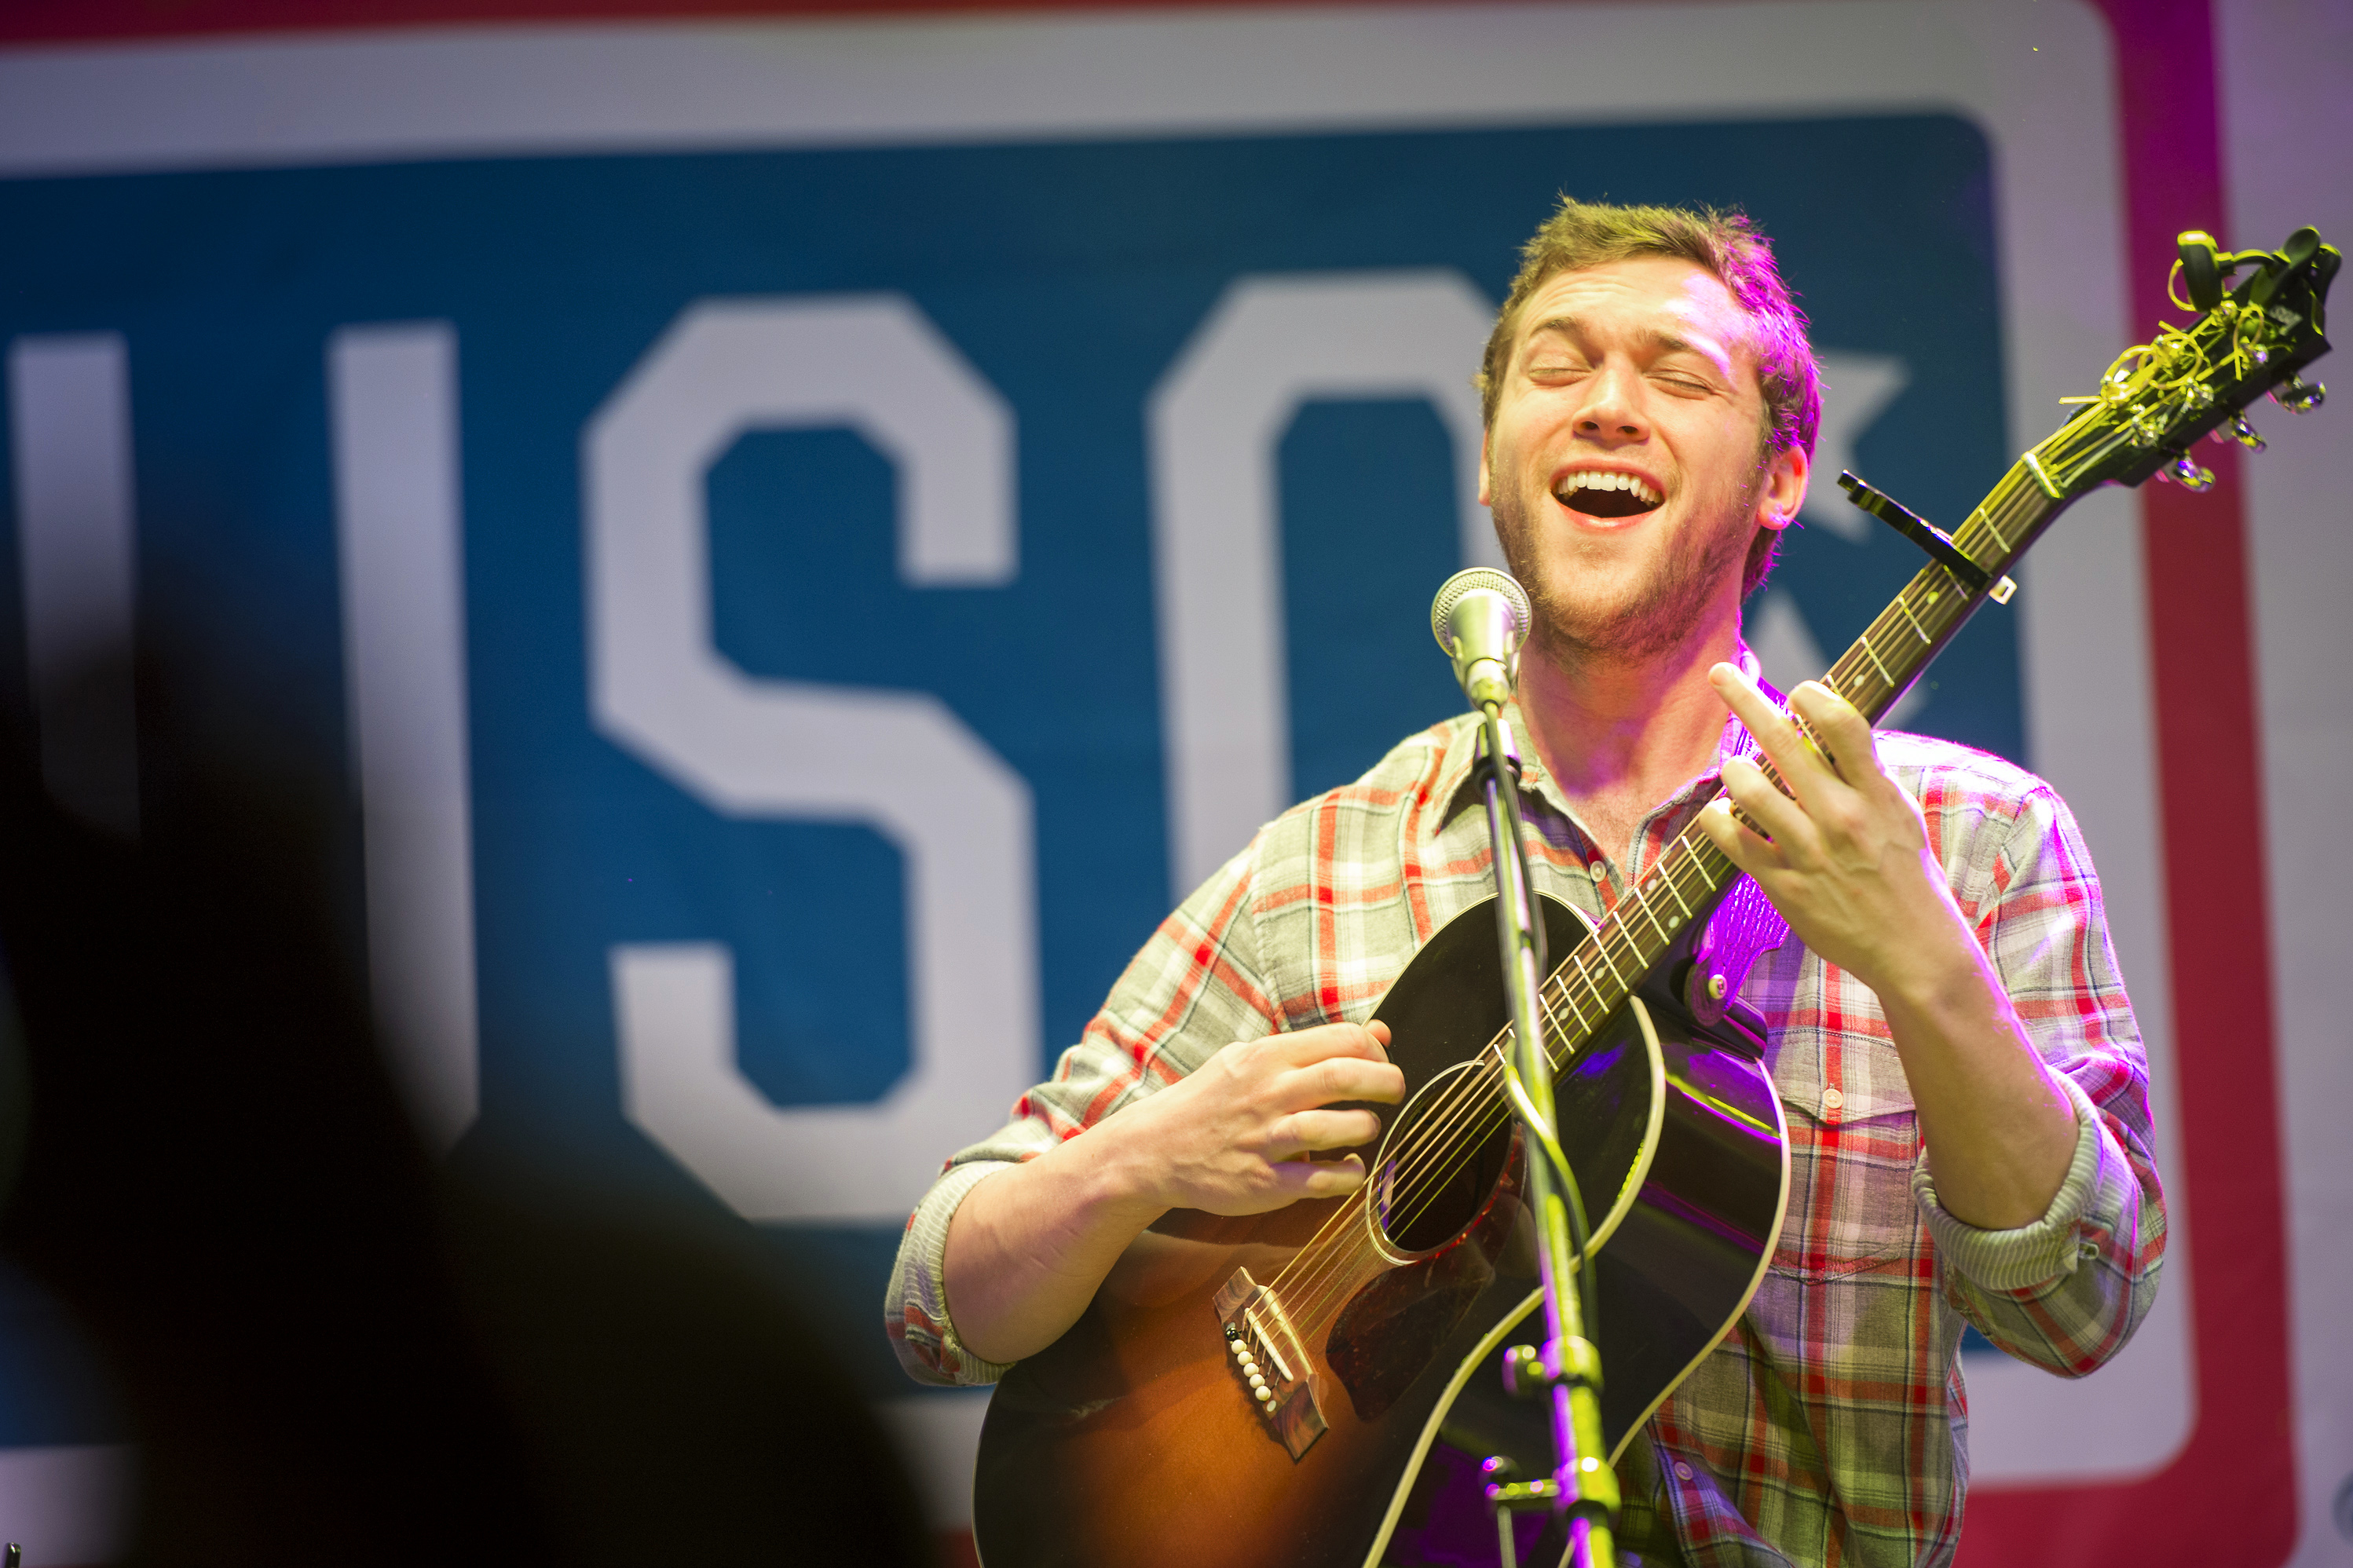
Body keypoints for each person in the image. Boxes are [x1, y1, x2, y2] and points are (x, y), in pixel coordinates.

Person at [886, 198, 2165, 1566]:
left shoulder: (1968, 838)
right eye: (1559, 367)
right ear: (1494, 463)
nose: (1608, 406)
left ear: (1784, 476)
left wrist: (1922, 960)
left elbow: (2078, 1312)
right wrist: (1140, 1159)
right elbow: (939, 1304)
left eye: (1678, 376)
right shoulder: (1325, 865)